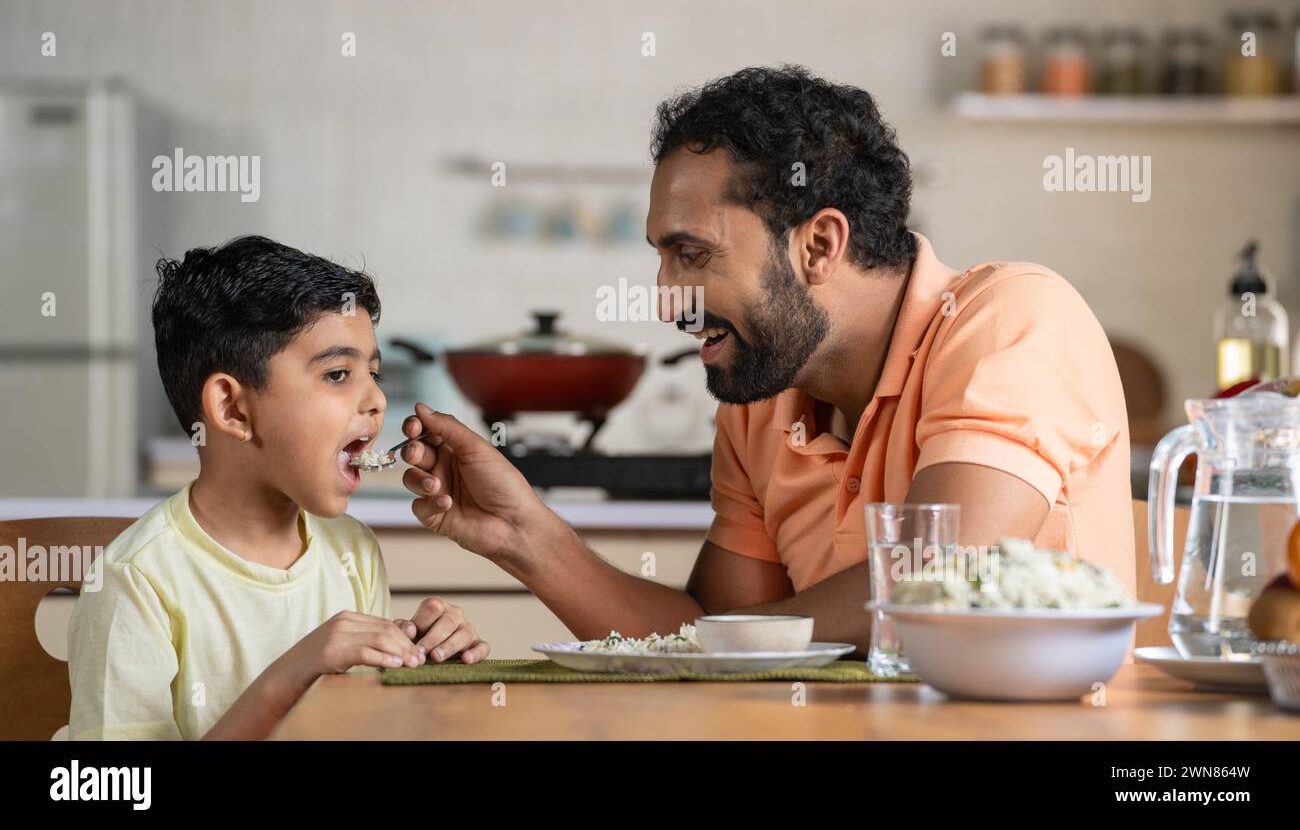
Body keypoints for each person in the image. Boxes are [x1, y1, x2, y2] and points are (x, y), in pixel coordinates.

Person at [397, 66, 1134, 654]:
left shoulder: (1012, 318)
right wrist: (526, 534)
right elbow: (710, 637)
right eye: (661, 258)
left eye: (692, 255)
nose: (666, 302)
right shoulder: (761, 402)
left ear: (819, 244)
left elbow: (935, 578)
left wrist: (724, 646)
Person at [68, 235, 489, 740]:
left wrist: (422, 662)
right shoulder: (137, 582)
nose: (376, 399)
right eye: (338, 374)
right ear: (233, 409)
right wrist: (293, 673)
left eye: (372, 373)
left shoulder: (352, 550)